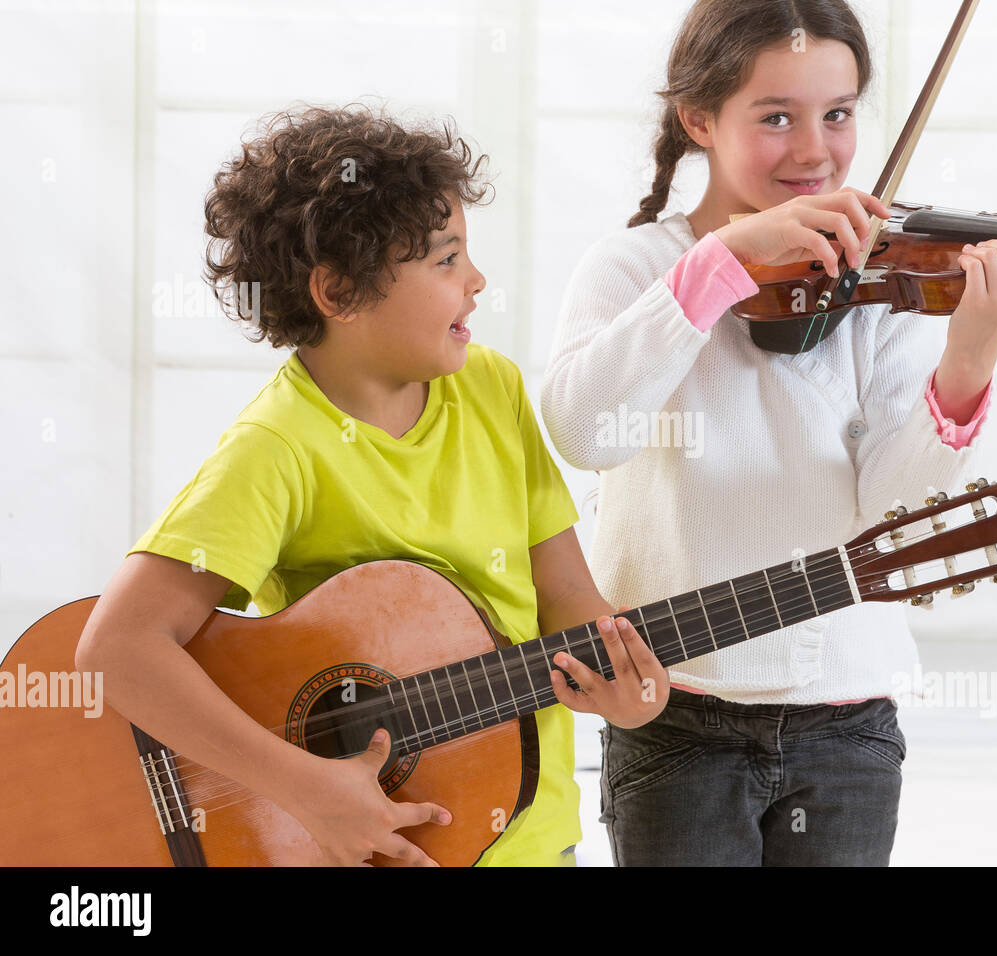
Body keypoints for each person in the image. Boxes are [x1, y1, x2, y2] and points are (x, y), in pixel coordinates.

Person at [540, 0, 997, 865]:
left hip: (847, 719)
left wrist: (970, 353)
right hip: (678, 715)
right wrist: (721, 266)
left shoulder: (880, 284)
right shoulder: (633, 267)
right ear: (699, 117)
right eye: (776, 116)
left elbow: (893, 511)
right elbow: (584, 432)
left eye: (839, 113)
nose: (815, 149)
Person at [74, 103, 667, 867]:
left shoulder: (493, 389)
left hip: (532, 839)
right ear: (340, 293)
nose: (478, 280)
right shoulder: (277, 448)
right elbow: (118, 647)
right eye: (446, 259)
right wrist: (308, 788)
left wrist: (634, 692)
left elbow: (567, 600)